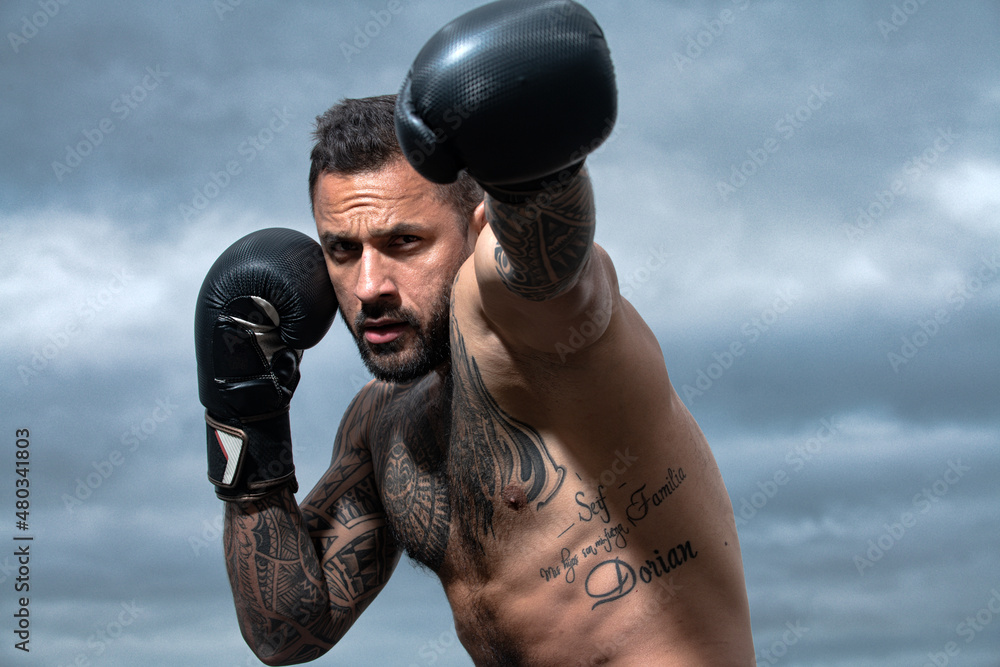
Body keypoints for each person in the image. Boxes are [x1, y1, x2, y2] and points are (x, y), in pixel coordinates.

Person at [195, 1, 754, 665]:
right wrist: (242, 413)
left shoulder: (535, 334)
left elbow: (551, 268)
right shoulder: (383, 424)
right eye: (342, 249)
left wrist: (535, 169)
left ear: (478, 222)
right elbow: (287, 629)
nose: (369, 285)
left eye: (403, 241)